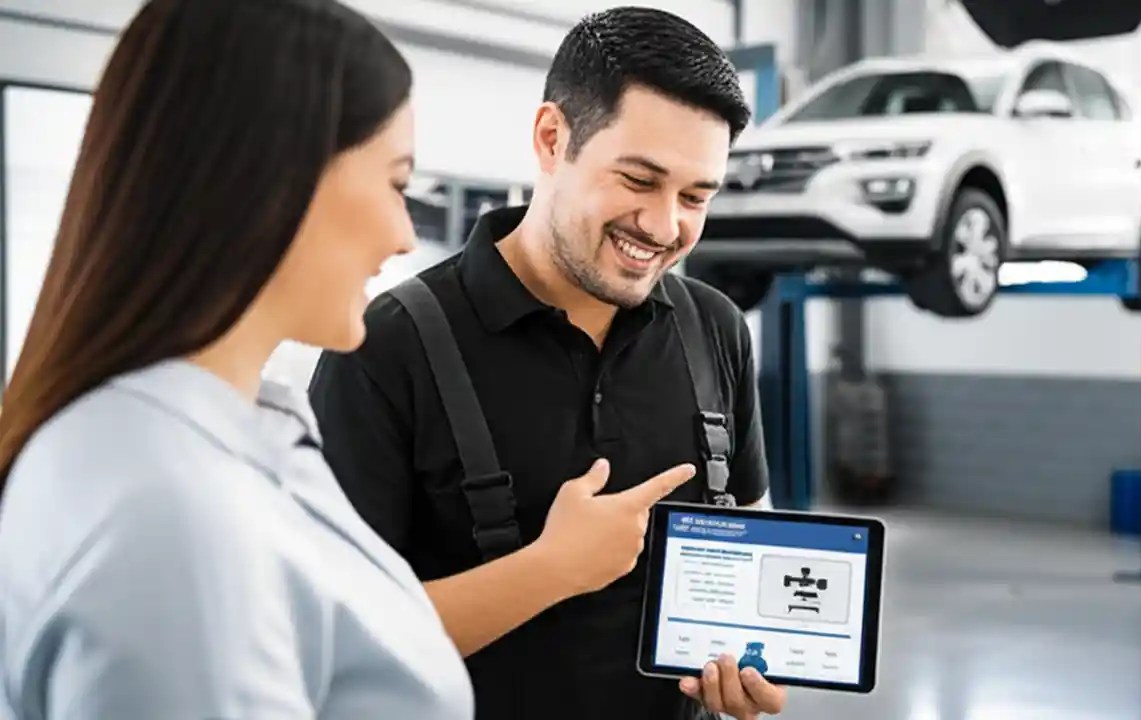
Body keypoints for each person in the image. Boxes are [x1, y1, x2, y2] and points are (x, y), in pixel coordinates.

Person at [0, 1, 690, 717]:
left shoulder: (246, 432)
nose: (402, 237)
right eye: (397, 185)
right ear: (270, 183)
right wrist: (548, 571)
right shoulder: (168, 517)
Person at [308, 7, 787, 719]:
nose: (663, 227)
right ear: (552, 138)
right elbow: (334, 638)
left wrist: (751, 660)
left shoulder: (714, 327)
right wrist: (549, 570)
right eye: (637, 180)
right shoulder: (387, 346)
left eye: (694, 197)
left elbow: (752, 536)